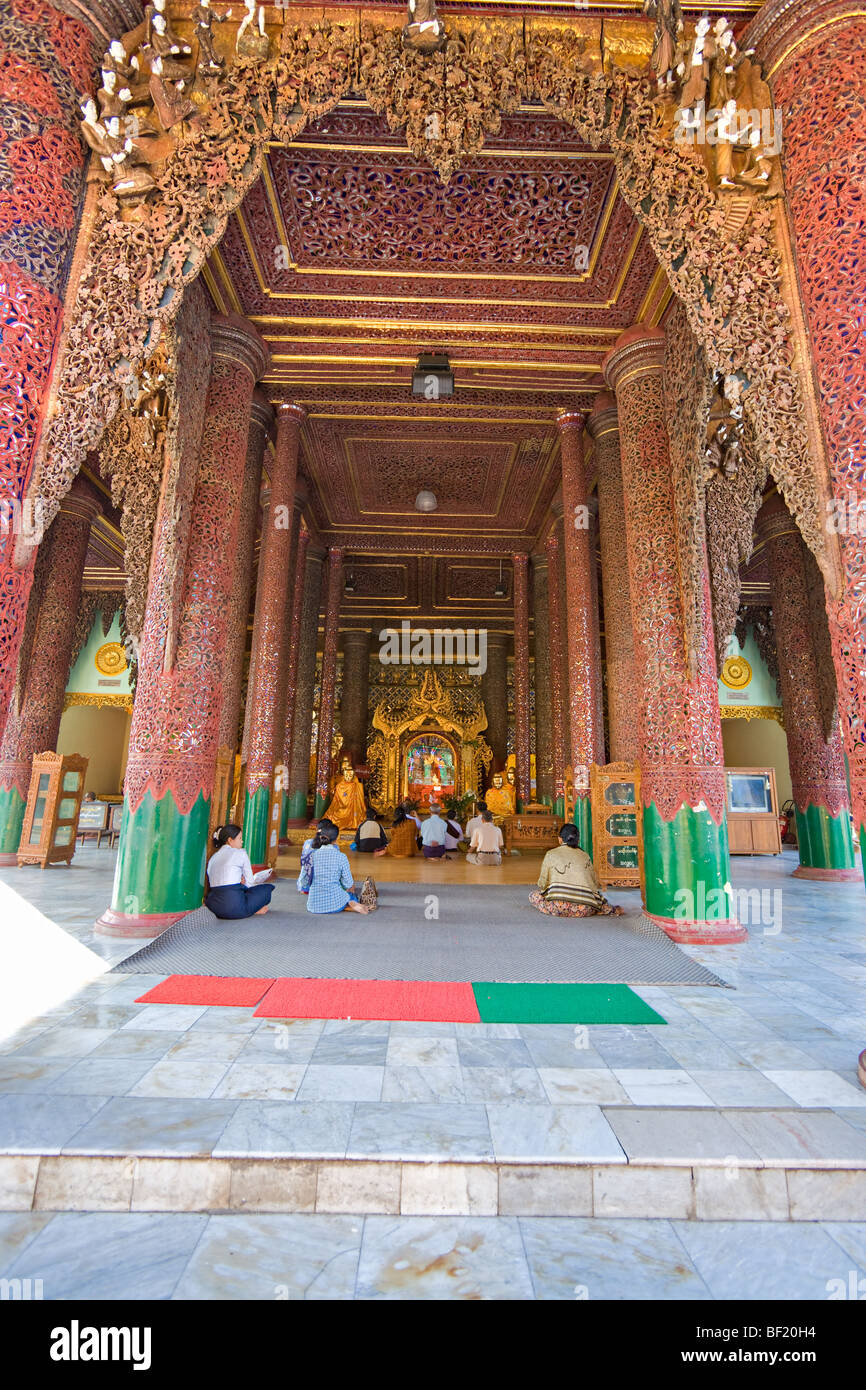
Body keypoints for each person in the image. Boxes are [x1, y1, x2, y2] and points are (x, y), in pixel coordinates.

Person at [529, 823, 624, 917]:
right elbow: (594, 884)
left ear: (560, 839)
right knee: (595, 898)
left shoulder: (551, 854)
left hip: (558, 908)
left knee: (533, 895)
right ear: (578, 840)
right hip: (585, 909)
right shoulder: (585, 855)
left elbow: (542, 883)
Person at [206, 824, 274, 919]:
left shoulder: (213, 857)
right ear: (230, 840)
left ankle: (250, 907)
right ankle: (253, 910)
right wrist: (243, 884)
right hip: (235, 908)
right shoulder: (241, 853)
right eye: (240, 838)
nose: (242, 841)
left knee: (239, 891)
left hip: (214, 907)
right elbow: (250, 884)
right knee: (266, 890)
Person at [306, 821, 371, 915]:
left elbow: (306, 880)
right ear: (336, 840)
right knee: (351, 893)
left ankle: (350, 903)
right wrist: (349, 887)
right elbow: (348, 883)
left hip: (313, 905)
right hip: (335, 904)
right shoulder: (341, 856)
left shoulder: (311, 855)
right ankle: (351, 902)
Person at [297, 817, 337, 894]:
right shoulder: (334, 847)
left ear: (317, 828)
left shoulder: (307, 843)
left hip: (304, 885)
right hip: (324, 887)